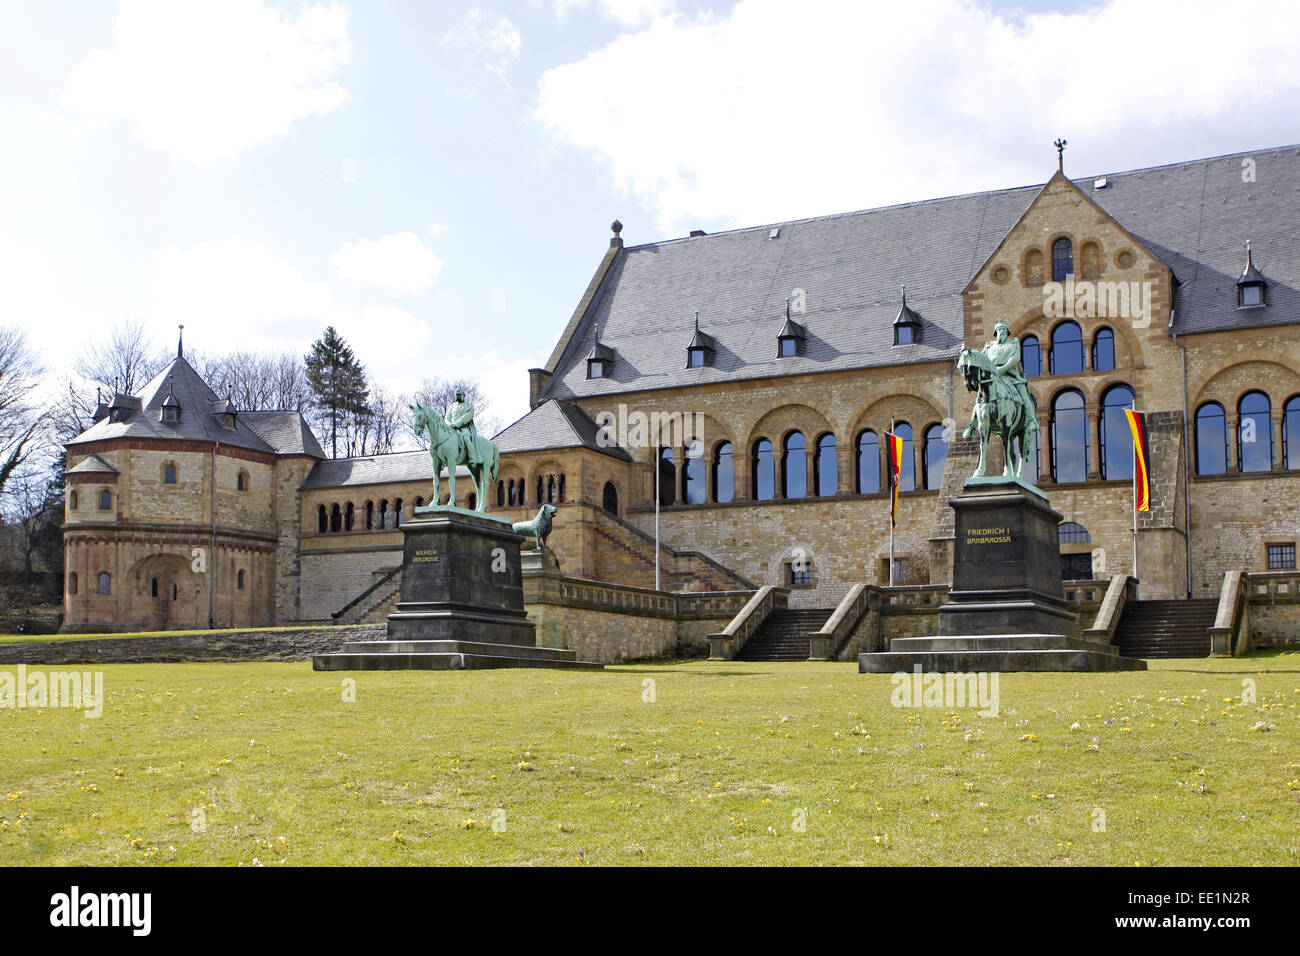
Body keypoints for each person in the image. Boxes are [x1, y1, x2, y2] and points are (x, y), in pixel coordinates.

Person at [961, 318, 1039, 438]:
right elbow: (981, 358)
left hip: (1010, 375)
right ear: (995, 333)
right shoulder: (989, 346)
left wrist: (1003, 369)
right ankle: (972, 425)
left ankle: (1032, 420)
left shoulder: (1013, 342)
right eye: (999, 329)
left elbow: (1015, 358)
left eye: (1003, 329)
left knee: (1023, 394)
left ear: (1007, 332)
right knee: (981, 397)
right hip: (992, 376)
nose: (1001, 331)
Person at [445, 389, 481, 465]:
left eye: (459, 395)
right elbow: (447, 417)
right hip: (451, 428)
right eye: (457, 395)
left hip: (463, 428)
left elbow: (467, 417)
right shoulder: (452, 406)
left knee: (467, 439)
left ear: (463, 396)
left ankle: (472, 457)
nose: (458, 396)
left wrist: (456, 424)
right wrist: (449, 424)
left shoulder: (468, 405)